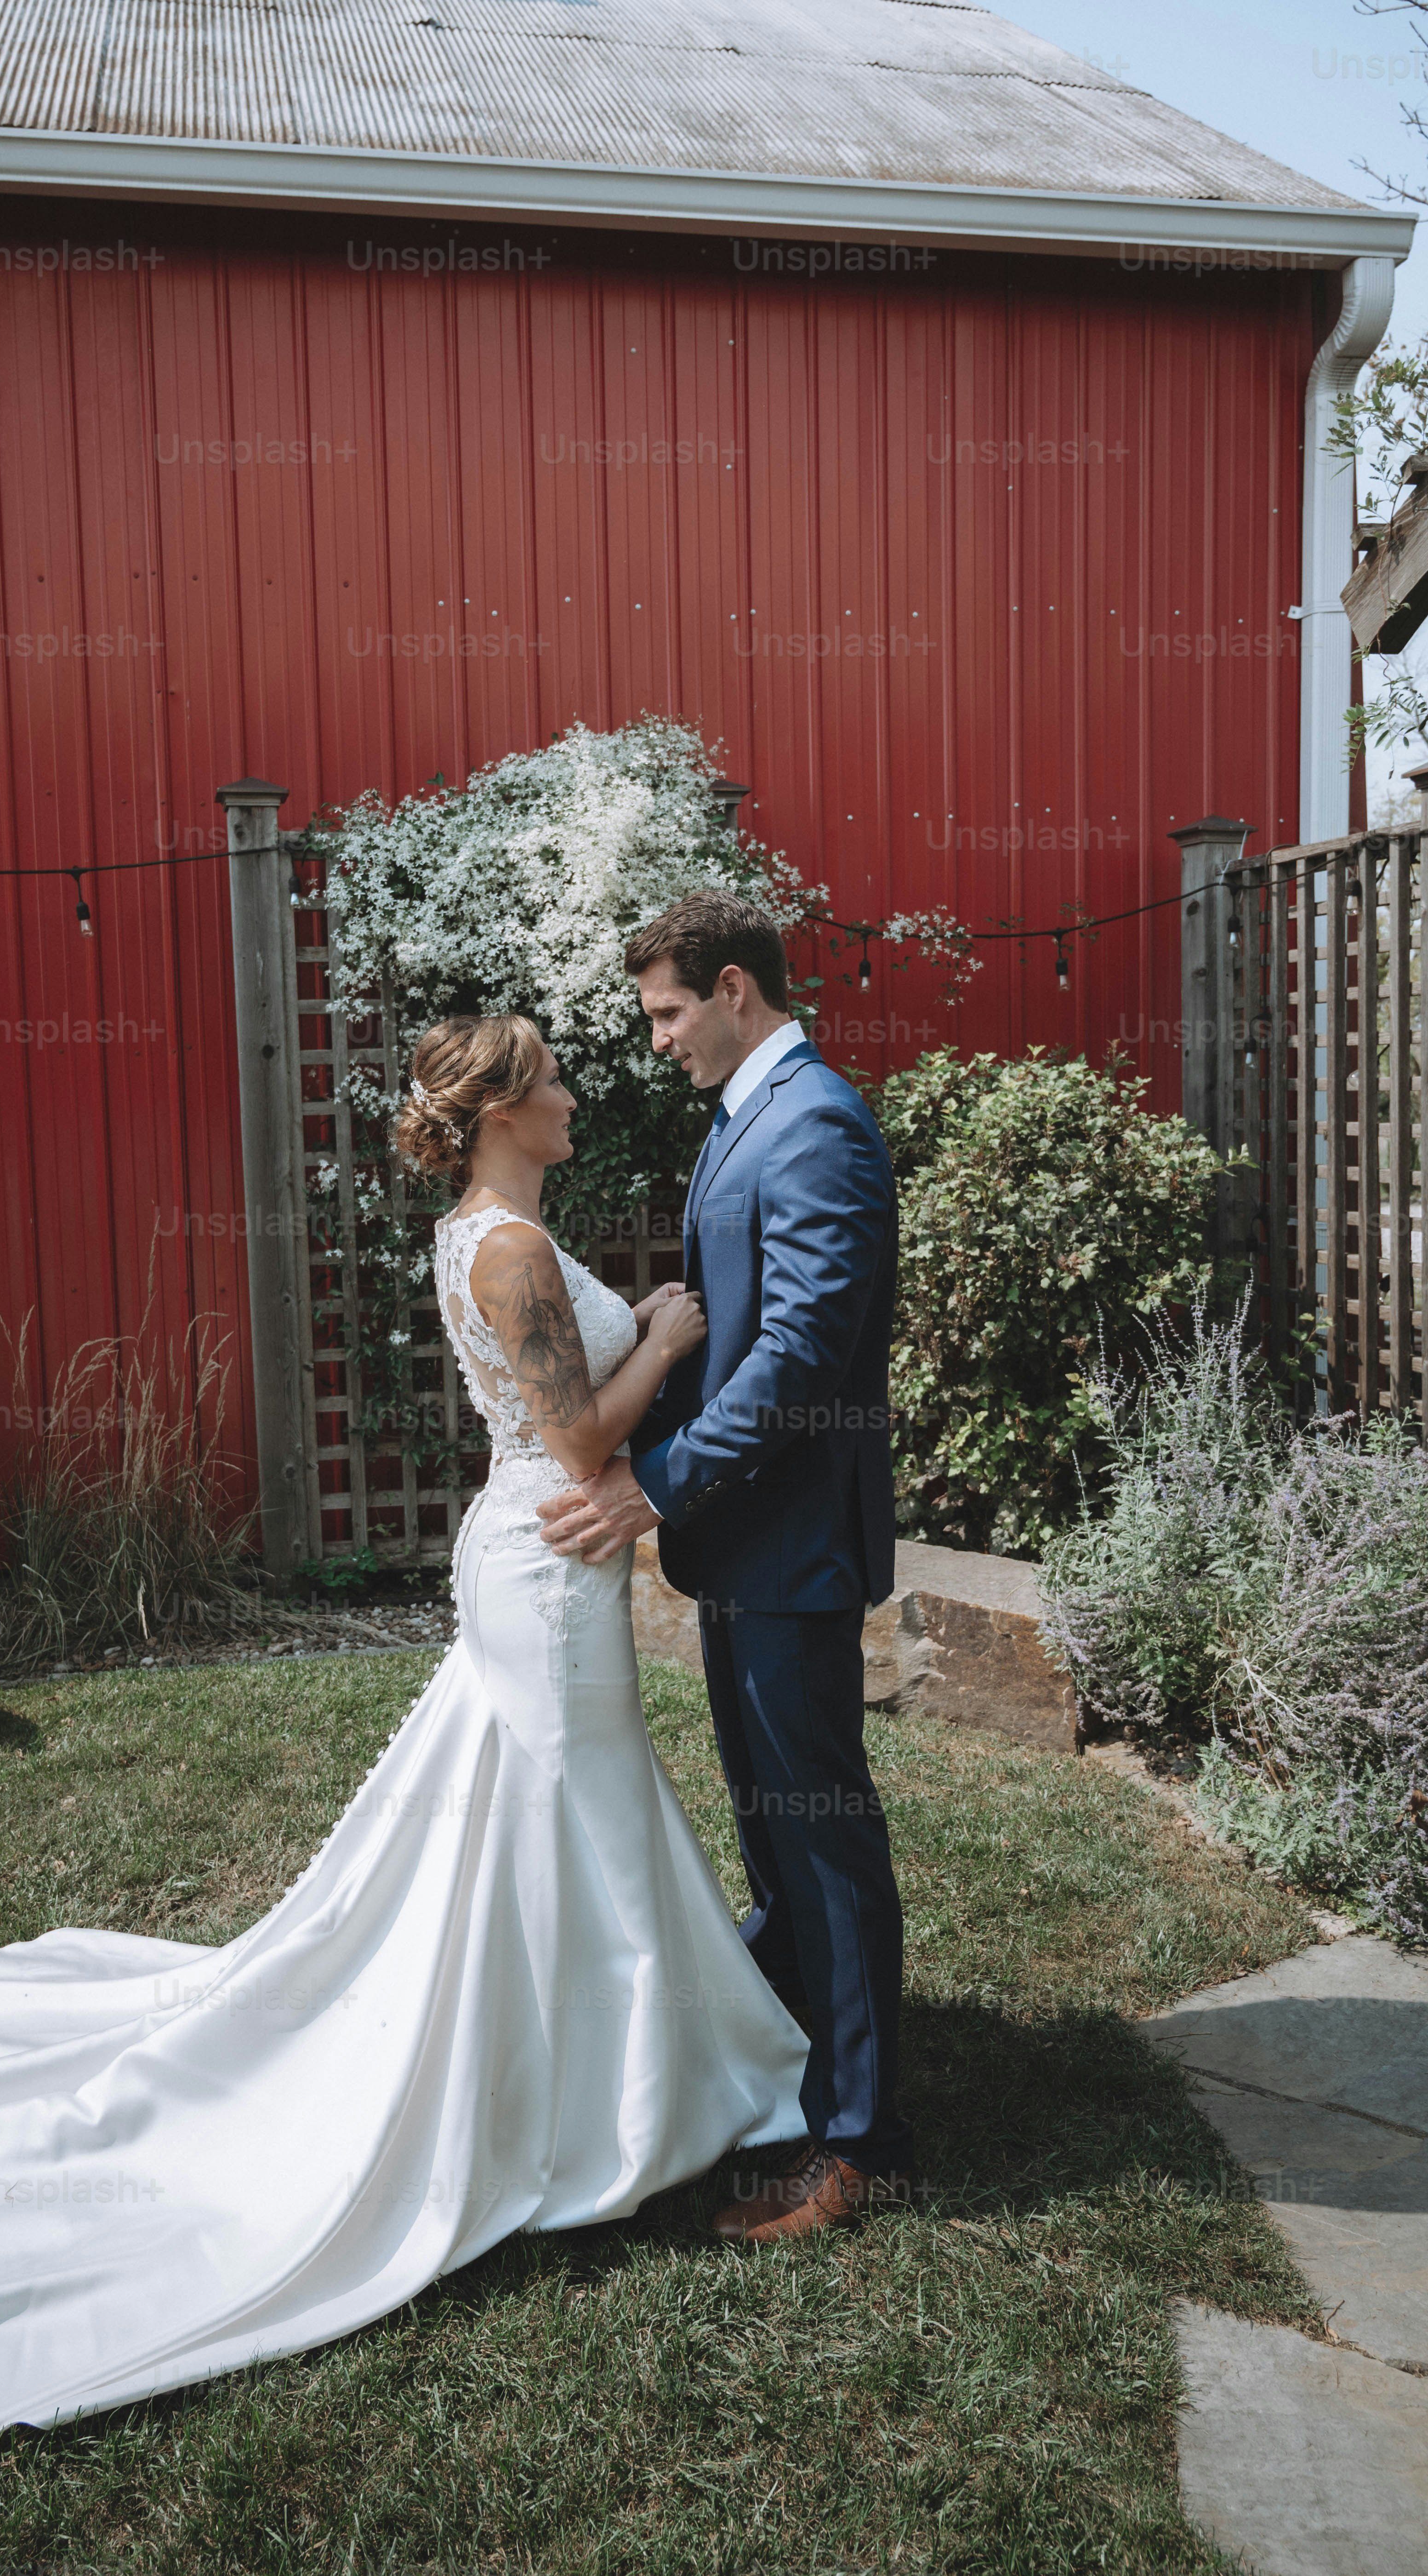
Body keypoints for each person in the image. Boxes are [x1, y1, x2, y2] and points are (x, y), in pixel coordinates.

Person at [0, 1010, 809, 2575]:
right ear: (497, 1110)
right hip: (546, 1576)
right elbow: (570, 1436)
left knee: (541, 1835)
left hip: (540, 1568)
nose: (571, 1092)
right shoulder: (507, 1256)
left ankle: (608, 2082)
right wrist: (671, 1345)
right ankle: (602, 2113)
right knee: (575, 1834)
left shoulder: (495, 1228)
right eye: (547, 1078)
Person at [537, 891, 916, 2239]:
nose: (659, 1041)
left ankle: (858, 2141)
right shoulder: (746, 1114)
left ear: (736, 987)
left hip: (792, 1546)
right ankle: (794, 2068)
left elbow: (804, 1352)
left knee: (822, 1842)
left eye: (669, 1012)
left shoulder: (813, 1123)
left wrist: (660, 1482)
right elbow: (742, 1312)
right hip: (744, 1550)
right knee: (775, 1831)